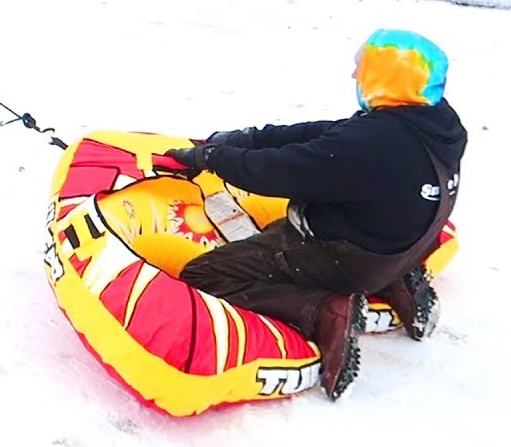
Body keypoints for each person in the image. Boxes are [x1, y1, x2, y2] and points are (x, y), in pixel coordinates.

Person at [162, 29, 466, 401]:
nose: (355, 76)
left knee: (205, 274)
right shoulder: (434, 122)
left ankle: (326, 309)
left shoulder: (371, 145)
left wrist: (210, 158)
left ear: (390, 74)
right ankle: (397, 281)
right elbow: (331, 135)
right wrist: (249, 137)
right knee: (355, 214)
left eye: (363, 67)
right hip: (404, 242)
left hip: (349, 257)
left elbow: (277, 171)